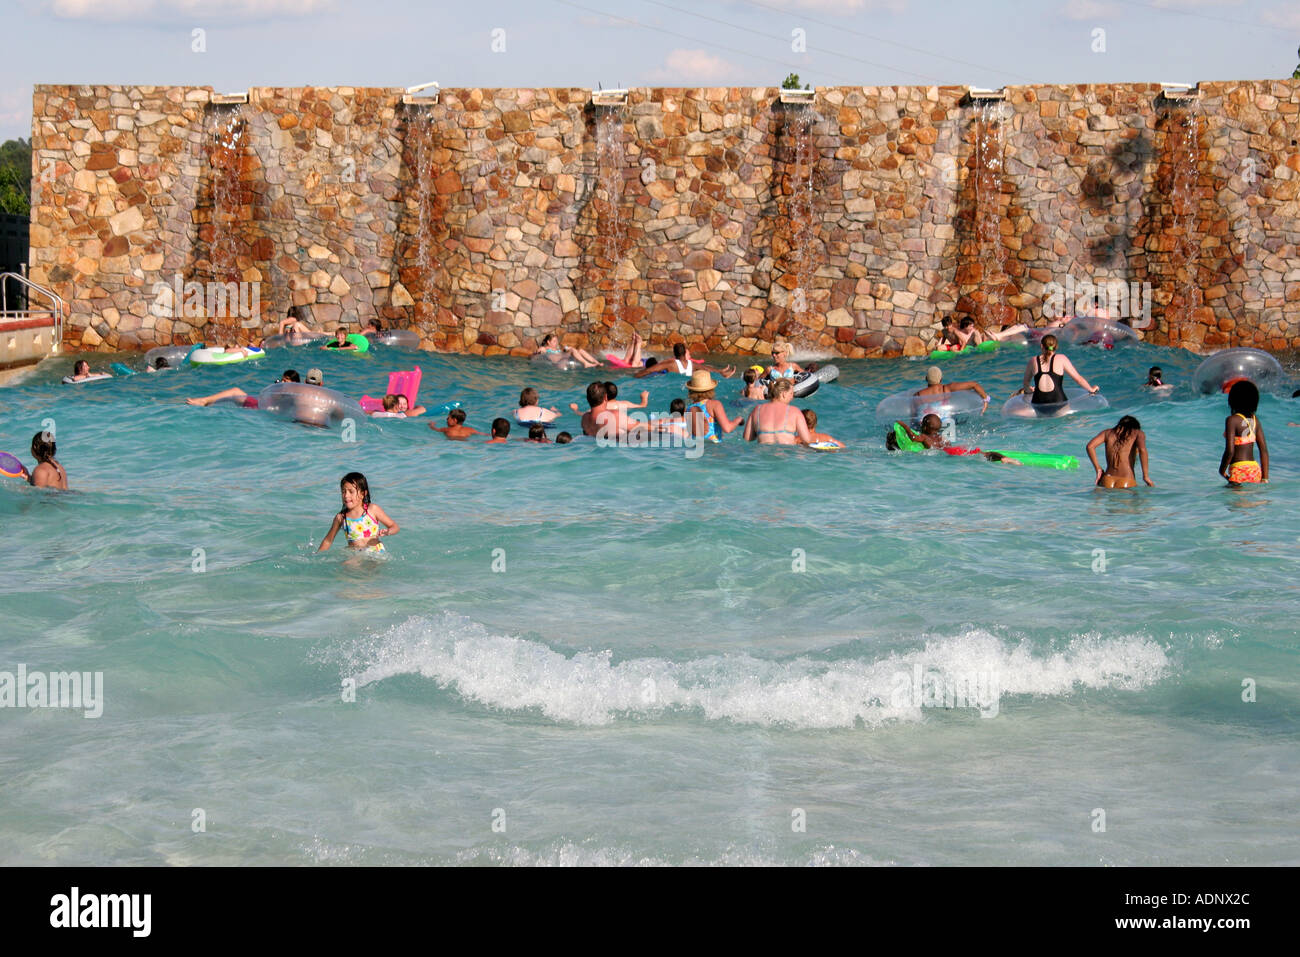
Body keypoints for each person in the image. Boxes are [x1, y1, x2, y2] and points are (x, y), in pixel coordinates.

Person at [317, 472, 397, 552]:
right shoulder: (341, 517)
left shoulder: (373, 509)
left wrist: (388, 531)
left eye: (351, 492)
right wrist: (318, 556)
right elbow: (328, 540)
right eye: (343, 491)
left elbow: (394, 526)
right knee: (348, 563)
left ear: (363, 494)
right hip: (355, 554)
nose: (346, 495)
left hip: (375, 551)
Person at [1012, 334, 1099, 406]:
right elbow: (1078, 379)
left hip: (1038, 402)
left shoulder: (1033, 360)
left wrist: (1029, 390)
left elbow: (1026, 383)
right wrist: (1091, 389)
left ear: (1041, 346)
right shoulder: (1062, 358)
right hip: (1058, 401)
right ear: (1056, 347)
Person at [1220, 380, 1268, 485]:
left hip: (1239, 469)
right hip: (1255, 470)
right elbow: (1263, 450)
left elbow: (1230, 451)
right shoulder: (1255, 421)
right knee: (1251, 500)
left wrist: (1222, 470)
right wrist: (1265, 478)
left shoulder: (1232, 420)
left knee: (1232, 500)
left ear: (1233, 400)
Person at [1085, 415, 1153, 489]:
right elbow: (1142, 450)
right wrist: (1146, 476)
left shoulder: (1107, 433)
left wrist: (1098, 468)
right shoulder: (1138, 433)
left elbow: (1090, 446)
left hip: (1107, 479)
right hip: (1127, 479)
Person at [744, 377, 812, 445]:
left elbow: (747, 438)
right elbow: (807, 440)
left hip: (763, 452)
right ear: (784, 394)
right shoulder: (795, 411)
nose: (792, 398)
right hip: (786, 453)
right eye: (791, 393)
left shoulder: (757, 410)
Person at [683, 370, 744, 443]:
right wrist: (739, 420)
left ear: (691, 390)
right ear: (711, 389)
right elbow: (727, 429)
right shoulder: (714, 404)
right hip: (714, 449)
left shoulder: (688, 408)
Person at [187, 370, 301, 407]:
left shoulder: (295, 395)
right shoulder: (279, 390)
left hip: (261, 409)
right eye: (282, 379)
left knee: (234, 392)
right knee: (235, 391)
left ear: (294, 383)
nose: (282, 382)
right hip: (260, 405)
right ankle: (205, 401)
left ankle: (205, 402)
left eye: (286, 380)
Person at [914, 366, 990, 412]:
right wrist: (985, 399)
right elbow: (974, 385)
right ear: (941, 379)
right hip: (945, 421)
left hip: (927, 425)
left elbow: (914, 414)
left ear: (926, 379)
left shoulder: (918, 395)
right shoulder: (947, 389)